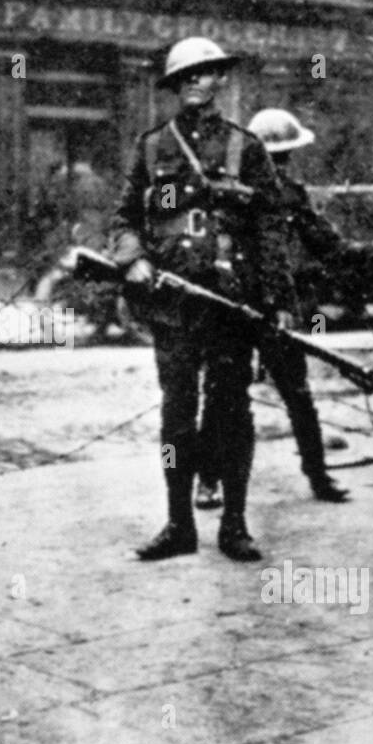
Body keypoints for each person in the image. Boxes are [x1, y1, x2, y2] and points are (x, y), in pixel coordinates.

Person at [108, 37, 293, 563]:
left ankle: (234, 524)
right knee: (176, 419)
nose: (194, 81)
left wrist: (277, 300)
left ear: (220, 80)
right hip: (174, 307)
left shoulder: (245, 148)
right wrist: (132, 257)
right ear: (174, 85)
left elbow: (271, 227)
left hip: (230, 305)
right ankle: (178, 524)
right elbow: (124, 217)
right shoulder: (151, 148)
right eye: (184, 75)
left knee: (232, 413)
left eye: (205, 72)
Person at [195, 109, 350, 507]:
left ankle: (317, 476)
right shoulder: (231, 193)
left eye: (282, 159)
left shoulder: (288, 193)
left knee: (292, 393)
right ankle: (209, 480)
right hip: (238, 307)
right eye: (277, 158)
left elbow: (321, 239)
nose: (280, 166)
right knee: (226, 393)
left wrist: (346, 254)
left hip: (271, 306)